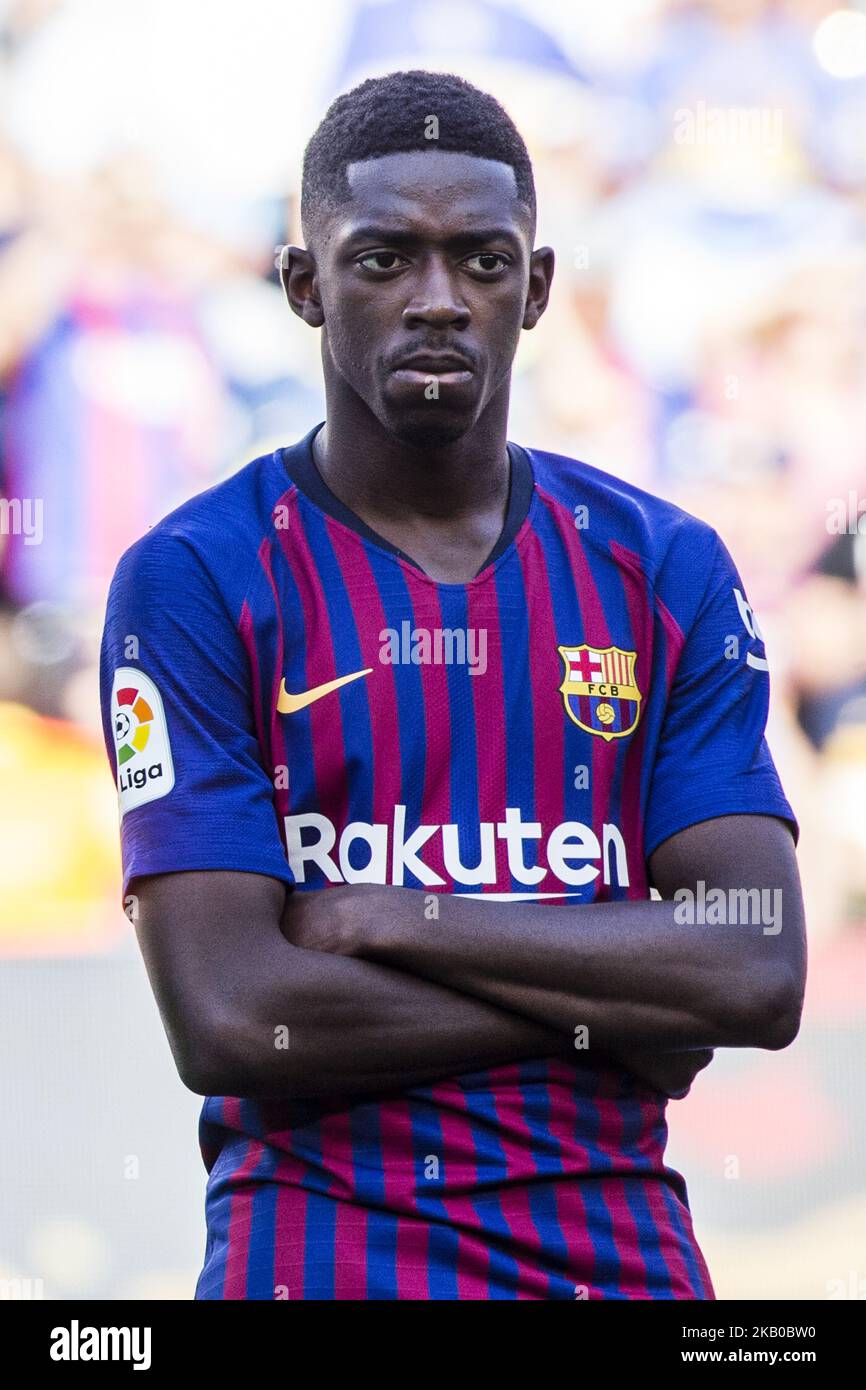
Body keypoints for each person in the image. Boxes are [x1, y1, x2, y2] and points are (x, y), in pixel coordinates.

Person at [99, 70, 806, 1301]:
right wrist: (622, 1008)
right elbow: (229, 1018)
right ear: (304, 285)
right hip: (315, 1257)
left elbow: (751, 968)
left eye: (481, 261)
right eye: (383, 260)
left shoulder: (663, 565)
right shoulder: (196, 575)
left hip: (616, 1260)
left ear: (533, 290)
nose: (438, 301)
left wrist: (394, 916)